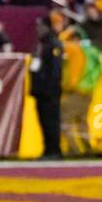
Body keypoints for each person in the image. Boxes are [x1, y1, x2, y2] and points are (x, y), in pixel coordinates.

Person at [30, 16, 64, 160]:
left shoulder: (53, 44)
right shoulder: (40, 44)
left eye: (41, 26)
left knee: (51, 121)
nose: (38, 29)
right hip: (40, 90)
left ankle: (54, 150)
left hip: (49, 90)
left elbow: (55, 70)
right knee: (43, 120)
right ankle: (47, 149)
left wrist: (50, 87)